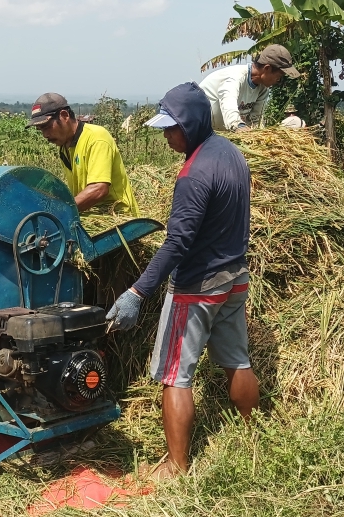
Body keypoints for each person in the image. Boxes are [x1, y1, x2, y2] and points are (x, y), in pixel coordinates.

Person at [104, 82, 258, 479]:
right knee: (237, 360)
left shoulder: (193, 173)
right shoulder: (231, 153)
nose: (167, 135)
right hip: (235, 276)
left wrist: (138, 291)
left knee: (175, 375)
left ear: (190, 124)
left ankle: (176, 465)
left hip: (198, 286)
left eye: (171, 128)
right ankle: (255, 434)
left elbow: (178, 243)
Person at [28, 92, 140, 215]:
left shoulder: (96, 138)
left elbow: (98, 189)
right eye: (41, 130)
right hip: (90, 212)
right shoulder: (64, 146)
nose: (45, 135)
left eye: (47, 127)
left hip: (117, 217)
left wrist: (61, 211)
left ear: (64, 116)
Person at [199, 44, 300, 132]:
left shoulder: (263, 89)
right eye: (278, 76)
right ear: (267, 69)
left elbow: (255, 120)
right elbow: (228, 103)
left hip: (221, 134)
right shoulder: (235, 77)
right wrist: (238, 125)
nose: (278, 81)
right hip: (200, 128)